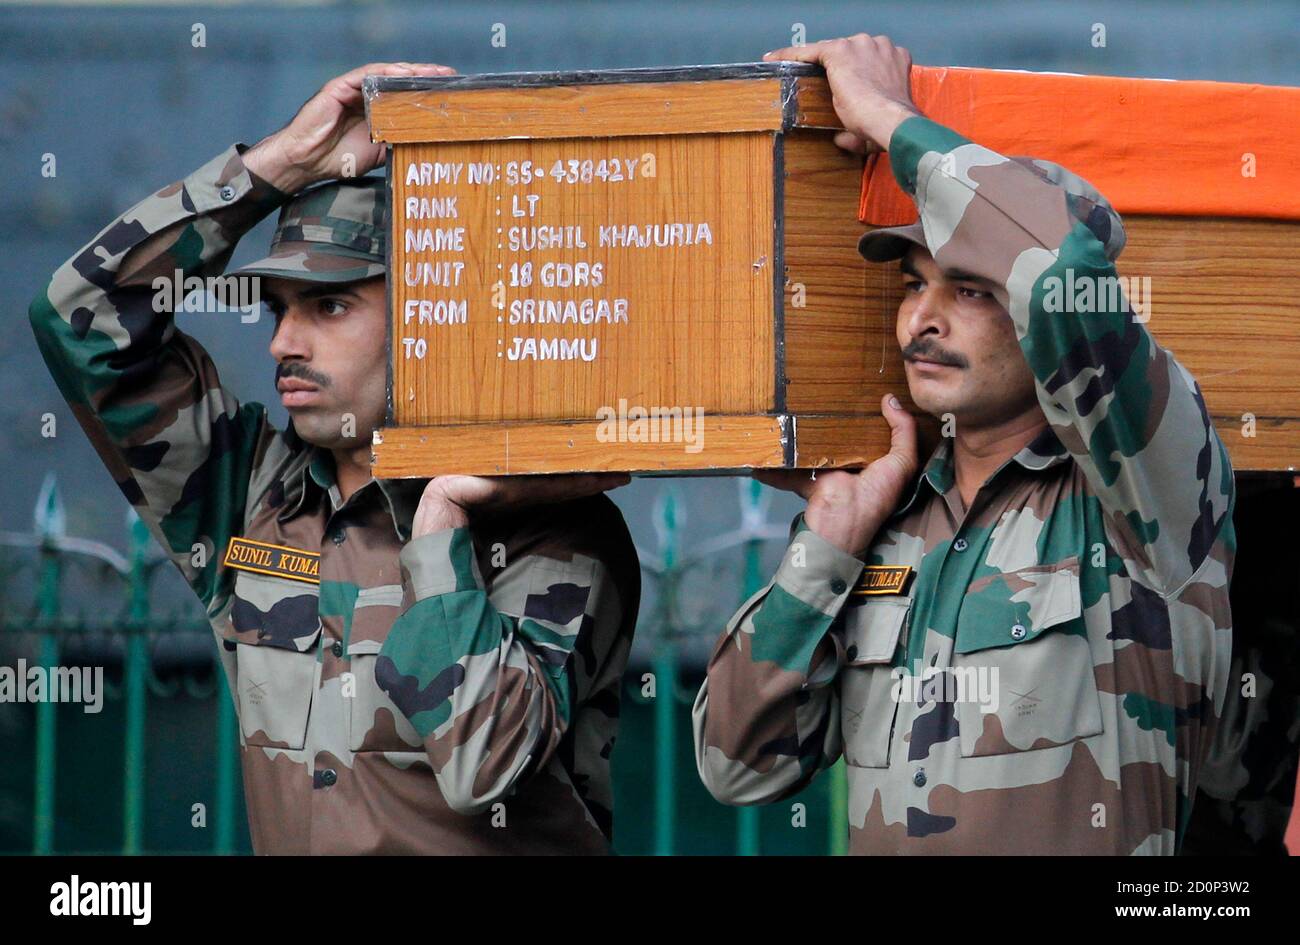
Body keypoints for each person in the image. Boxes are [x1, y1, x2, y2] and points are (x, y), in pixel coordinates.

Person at [29, 62, 640, 854]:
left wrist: (441, 525)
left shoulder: (553, 534)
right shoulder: (250, 496)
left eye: (331, 305)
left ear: (432, 321)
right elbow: (79, 316)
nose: (284, 341)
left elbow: (483, 765)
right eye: (280, 310)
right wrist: (278, 167)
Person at [692, 34, 1235, 854]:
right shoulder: (897, 524)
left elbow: (1059, 269)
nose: (922, 319)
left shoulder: (1144, 484)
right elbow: (737, 769)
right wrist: (828, 544)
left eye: (971, 290)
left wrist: (886, 117)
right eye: (914, 284)